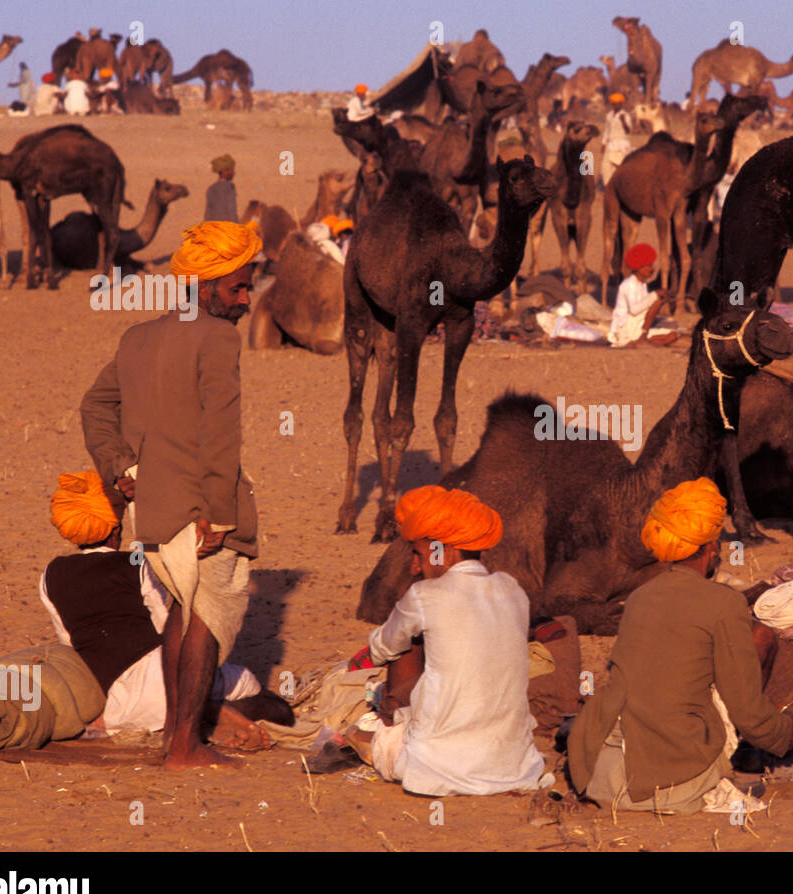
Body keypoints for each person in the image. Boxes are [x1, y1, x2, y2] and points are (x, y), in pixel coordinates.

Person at [80, 220, 263, 769]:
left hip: (153, 510)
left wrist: (119, 470)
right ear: (204, 287)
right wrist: (221, 514)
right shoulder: (217, 337)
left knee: (182, 612)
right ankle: (185, 745)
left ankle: (174, 739)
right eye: (238, 287)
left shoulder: (137, 337)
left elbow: (94, 407)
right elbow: (220, 431)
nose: (247, 300)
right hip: (204, 507)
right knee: (205, 616)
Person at [568, 478, 793, 813]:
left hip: (599, 772)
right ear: (713, 546)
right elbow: (747, 712)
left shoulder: (640, 598)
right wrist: (788, 733)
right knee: (761, 638)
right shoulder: (723, 603)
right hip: (663, 784)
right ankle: (752, 757)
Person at [41, 470, 291, 744]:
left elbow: (70, 646)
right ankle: (211, 716)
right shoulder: (139, 564)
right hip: (168, 685)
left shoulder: (50, 576)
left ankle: (201, 719)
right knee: (275, 706)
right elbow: (170, 628)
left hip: (117, 708)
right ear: (116, 525)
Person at [348, 485, 545, 796]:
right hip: (515, 767)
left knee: (406, 642)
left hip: (438, 768)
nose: (415, 567)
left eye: (418, 554)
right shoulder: (513, 590)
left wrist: (409, 607)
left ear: (445, 549)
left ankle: (383, 723)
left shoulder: (426, 595)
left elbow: (379, 649)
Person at [607, 243, 677, 347]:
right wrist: (655, 295)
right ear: (639, 268)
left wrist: (663, 301)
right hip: (625, 328)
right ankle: (642, 339)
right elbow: (634, 310)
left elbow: (645, 308)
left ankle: (640, 343)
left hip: (637, 326)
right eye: (649, 265)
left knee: (673, 336)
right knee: (656, 301)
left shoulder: (642, 284)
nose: (653, 269)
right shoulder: (629, 284)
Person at [601, 92, 632, 185]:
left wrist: (623, 121)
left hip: (621, 145)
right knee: (605, 167)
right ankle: (608, 186)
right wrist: (603, 143)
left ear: (621, 104)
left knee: (621, 167)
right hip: (611, 144)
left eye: (618, 103)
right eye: (614, 103)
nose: (616, 105)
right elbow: (607, 130)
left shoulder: (625, 115)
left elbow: (628, 131)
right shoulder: (609, 115)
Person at [204, 154, 238, 222]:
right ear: (223, 171)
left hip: (213, 227)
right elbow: (231, 211)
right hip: (226, 227)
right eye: (231, 170)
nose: (233, 173)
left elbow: (208, 214)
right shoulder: (230, 187)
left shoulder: (211, 189)